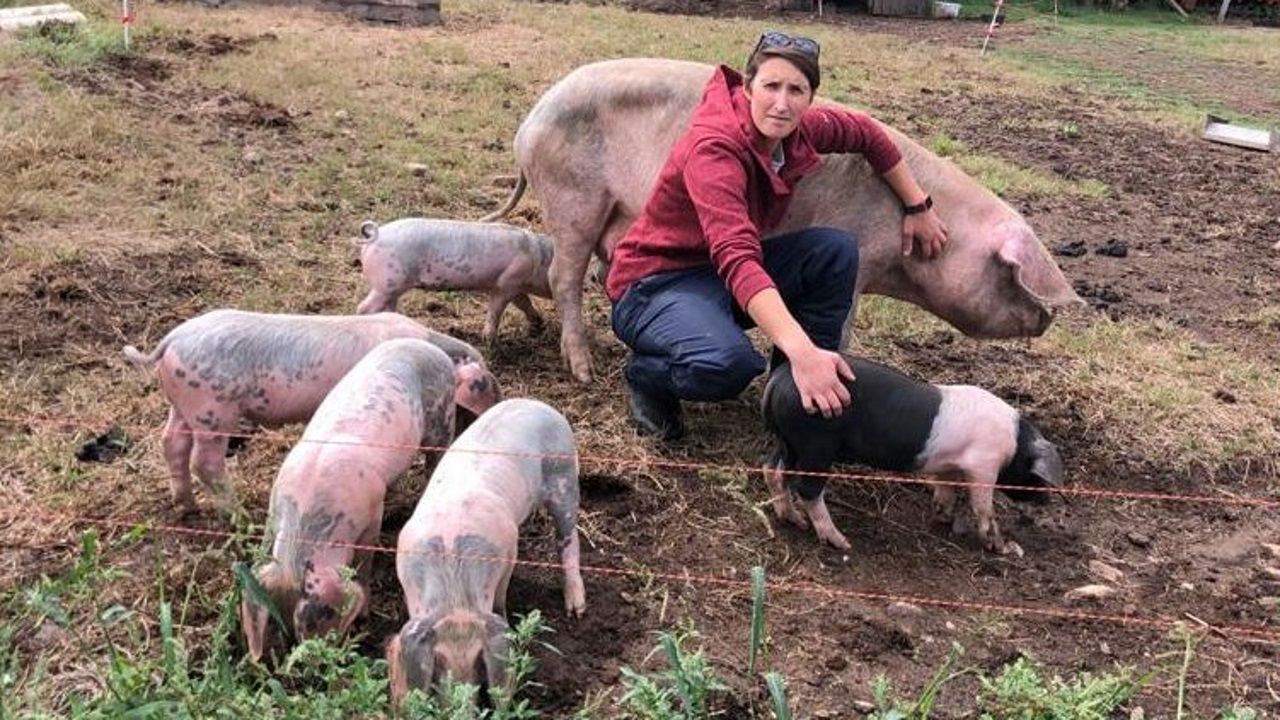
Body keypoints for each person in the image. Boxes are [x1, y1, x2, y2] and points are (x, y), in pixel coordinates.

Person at [606, 30, 949, 441]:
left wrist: (917, 206)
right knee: (725, 366)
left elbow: (867, 133)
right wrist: (804, 350)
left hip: (714, 276)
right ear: (748, 87)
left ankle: (792, 397)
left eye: (796, 90)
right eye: (771, 86)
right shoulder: (714, 149)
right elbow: (736, 256)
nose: (782, 104)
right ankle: (647, 376)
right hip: (654, 285)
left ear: (811, 97)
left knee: (834, 251)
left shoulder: (796, 131)